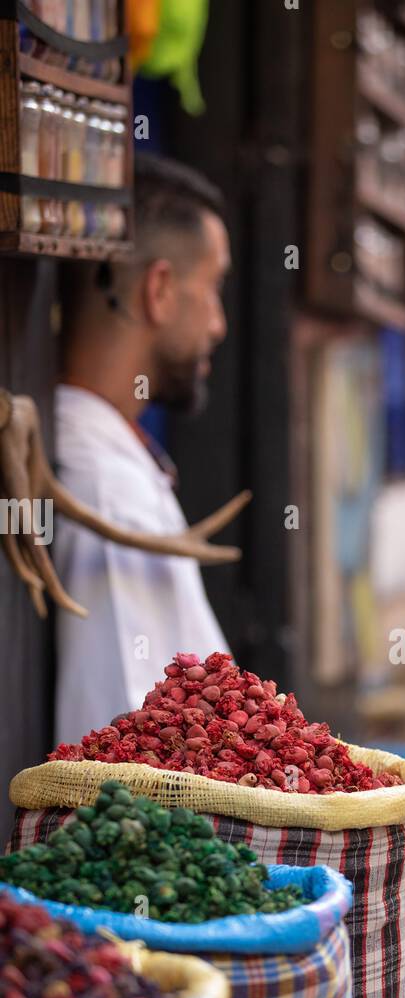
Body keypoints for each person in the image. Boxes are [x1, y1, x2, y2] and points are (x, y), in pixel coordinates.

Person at [54, 152, 236, 744]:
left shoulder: (112, 466)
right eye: (212, 288)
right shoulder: (106, 489)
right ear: (159, 289)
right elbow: (127, 769)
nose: (218, 324)